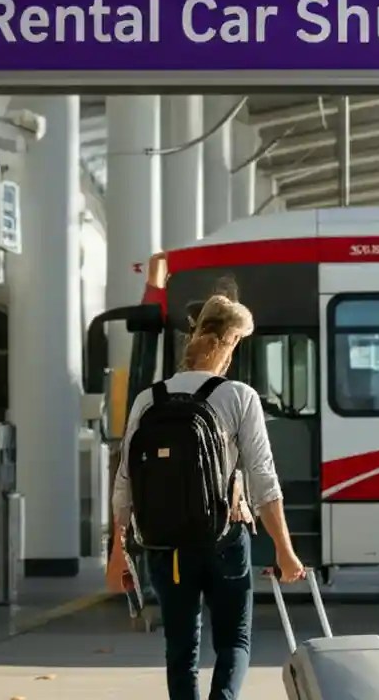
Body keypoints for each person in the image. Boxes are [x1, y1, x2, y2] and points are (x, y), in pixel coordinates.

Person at [112, 294, 306, 700]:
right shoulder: (239, 396)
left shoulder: (150, 398)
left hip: (166, 545)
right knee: (234, 641)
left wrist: (118, 552)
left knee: (181, 650)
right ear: (231, 342)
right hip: (224, 536)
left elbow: (125, 481)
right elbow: (263, 479)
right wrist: (285, 552)